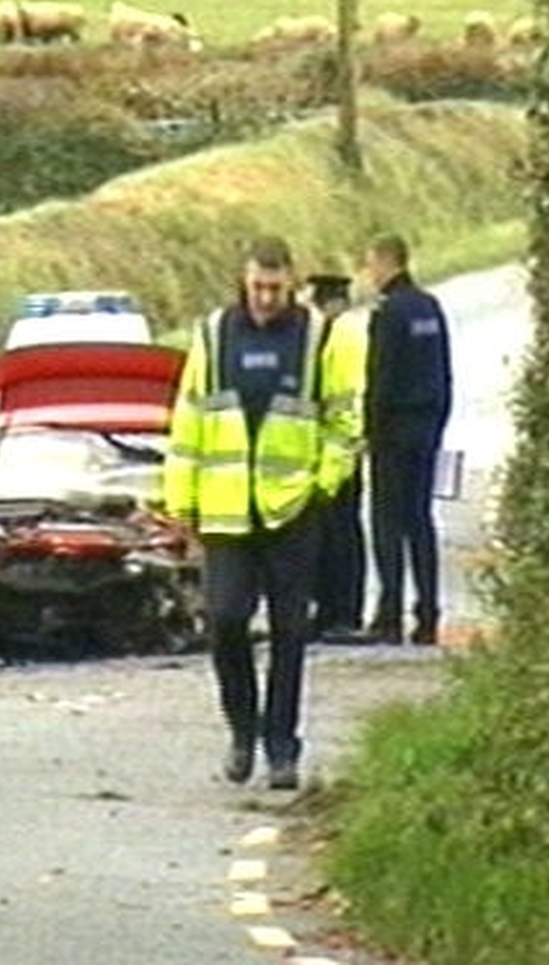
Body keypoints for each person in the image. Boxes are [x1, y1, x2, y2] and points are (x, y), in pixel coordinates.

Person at [163, 237, 359, 790]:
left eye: (275, 288)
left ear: (292, 283)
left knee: (290, 631)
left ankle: (281, 747)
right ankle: (241, 731)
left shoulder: (321, 338)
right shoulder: (213, 335)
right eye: (257, 287)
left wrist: (323, 484)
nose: (266, 298)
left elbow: (344, 422)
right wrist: (181, 504)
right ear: (242, 282)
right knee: (225, 622)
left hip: (291, 510)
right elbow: (188, 423)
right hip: (226, 514)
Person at [361, 233, 452, 646]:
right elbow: (444, 372)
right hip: (427, 426)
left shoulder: (389, 313)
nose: (370, 274)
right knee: (420, 520)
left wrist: (370, 432)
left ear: (386, 262)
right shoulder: (430, 307)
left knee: (386, 523)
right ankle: (429, 613)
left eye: (371, 265)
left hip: (394, 430)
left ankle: (391, 613)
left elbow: (380, 378)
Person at [301, 272, 370, 643]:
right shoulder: (355, 331)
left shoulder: (339, 335)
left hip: (338, 446)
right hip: (342, 444)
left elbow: (338, 395)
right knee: (338, 534)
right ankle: (336, 611)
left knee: (339, 536)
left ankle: (340, 612)